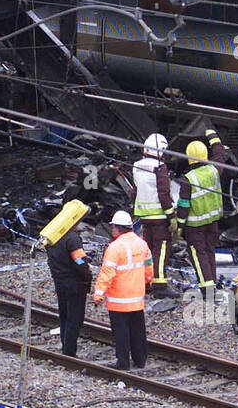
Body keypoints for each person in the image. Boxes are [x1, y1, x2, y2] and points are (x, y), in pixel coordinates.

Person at [93, 211, 153, 370]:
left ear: (117, 228)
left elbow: (107, 273)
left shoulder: (115, 247)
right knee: (138, 331)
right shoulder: (142, 244)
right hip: (136, 299)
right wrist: (148, 281)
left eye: (112, 227)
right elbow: (148, 267)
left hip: (118, 300)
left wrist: (99, 293)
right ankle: (140, 361)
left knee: (121, 333)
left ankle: (123, 363)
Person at [174, 128, 228, 300]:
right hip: (212, 221)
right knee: (210, 250)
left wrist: (179, 227)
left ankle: (207, 289)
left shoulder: (188, 179)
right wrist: (213, 137)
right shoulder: (214, 170)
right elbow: (220, 154)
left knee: (199, 254)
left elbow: (183, 206)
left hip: (194, 226)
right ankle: (212, 283)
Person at [132, 132, 175, 294]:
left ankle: (145, 282)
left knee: (147, 250)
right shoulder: (159, 167)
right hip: (159, 217)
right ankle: (160, 285)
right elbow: (163, 194)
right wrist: (171, 216)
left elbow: (134, 191)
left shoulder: (137, 165)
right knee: (161, 249)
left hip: (144, 216)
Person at [45, 223, 91, 357]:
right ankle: (70, 351)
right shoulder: (72, 239)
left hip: (59, 281)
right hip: (74, 283)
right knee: (74, 317)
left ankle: (66, 346)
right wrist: (87, 275)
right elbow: (79, 262)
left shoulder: (53, 236)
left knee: (64, 315)